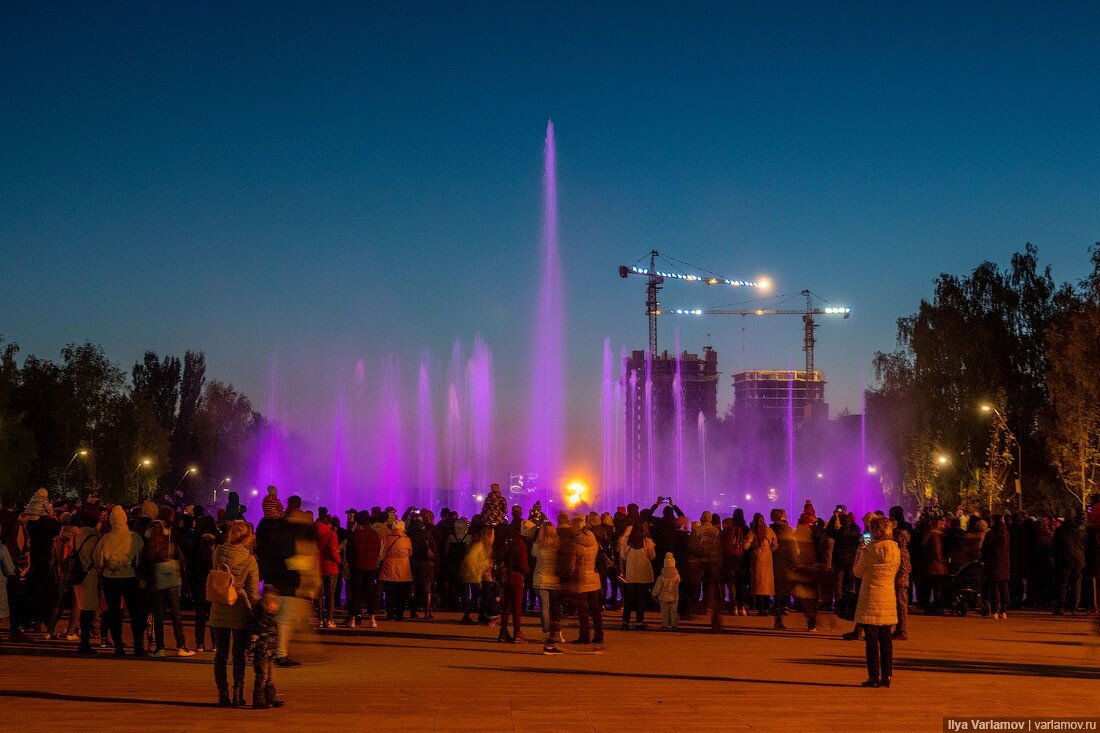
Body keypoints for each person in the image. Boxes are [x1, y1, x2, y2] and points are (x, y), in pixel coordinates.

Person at [210, 520, 260, 707]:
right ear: (247, 538)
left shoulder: (218, 553)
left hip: (219, 607)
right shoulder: (250, 559)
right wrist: (257, 613)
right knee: (238, 655)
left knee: (220, 655)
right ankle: (238, 693)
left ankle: (222, 694)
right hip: (239, 608)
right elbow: (254, 592)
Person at [92, 505, 147, 657]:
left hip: (110, 579)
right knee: (136, 613)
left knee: (114, 613)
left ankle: (118, 646)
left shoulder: (106, 538)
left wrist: (104, 570)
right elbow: (140, 559)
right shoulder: (134, 537)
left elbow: (97, 559)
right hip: (130, 578)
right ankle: (138, 646)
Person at [853, 516, 901, 688]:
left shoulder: (869, 550)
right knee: (886, 638)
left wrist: (860, 552)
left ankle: (873, 676)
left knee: (871, 639)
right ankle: (887, 675)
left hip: (871, 597)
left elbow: (857, 572)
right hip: (887, 596)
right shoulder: (896, 550)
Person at [145, 518, 195, 657]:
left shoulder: (149, 547)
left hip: (156, 582)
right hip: (171, 581)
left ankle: (160, 648)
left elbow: (145, 565)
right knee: (175, 614)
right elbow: (182, 561)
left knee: (158, 615)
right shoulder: (170, 544)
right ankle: (181, 645)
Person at [563, 517, 604, 648]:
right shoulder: (593, 539)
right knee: (595, 609)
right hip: (593, 578)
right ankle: (599, 635)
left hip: (581, 580)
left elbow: (570, 567)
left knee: (582, 610)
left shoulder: (574, 545)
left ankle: (584, 636)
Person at [250, 586, 286, 710]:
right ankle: (259, 700)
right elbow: (255, 636)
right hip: (263, 653)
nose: (276, 607)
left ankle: (270, 698)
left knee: (270, 676)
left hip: (270, 652)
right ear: (267, 604)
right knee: (262, 676)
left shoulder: (270, 618)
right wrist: (252, 648)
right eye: (274, 604)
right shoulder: (261, 618)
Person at [497, 519, 532, 642]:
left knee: (506, 607)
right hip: (517, 578)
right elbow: (522, 564)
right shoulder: (520, 544)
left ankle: (502, 633)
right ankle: (517, 633)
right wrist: (527, 571)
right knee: (517, 607)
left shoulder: (509, 543)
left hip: (507, 577)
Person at [346, 510, 382, 628]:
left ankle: (352, 619)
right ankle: (372, 619)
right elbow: (378, 551)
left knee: (355, 593)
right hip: (371, 567)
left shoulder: (354, 535)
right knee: (370, 592)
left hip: (357, 567)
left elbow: (349, 553)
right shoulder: (374, 535)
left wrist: (351, 565)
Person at [619, 519, 656, 630]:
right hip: (643, 574)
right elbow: (652, 556)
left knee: (629, 599)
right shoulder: (647, 541)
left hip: (630, 573)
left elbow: (623, 556)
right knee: (641, 599)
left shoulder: (627, 541)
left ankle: (625, 622)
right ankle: (639, 623)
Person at [531, 521, 562, 649]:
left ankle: (546, 632)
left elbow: (533, 555)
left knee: (544, 607)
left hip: (540, 579)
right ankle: (556, 633)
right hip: (554, 579)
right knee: (555, 608)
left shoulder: (538, 545)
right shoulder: (558, 544)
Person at [744, 512, 778, 615]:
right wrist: (769, 550)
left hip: (757, 557)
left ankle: (760, 609)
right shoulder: (769, 530)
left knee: (758, 584)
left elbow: (746, 546)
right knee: (767, 584)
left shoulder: (752, 531)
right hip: (768, 558)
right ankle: (766, 608)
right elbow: (775, 544)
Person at [379, 520, 414, 621]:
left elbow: (381, 553)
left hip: (389, 568)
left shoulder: (385, 538)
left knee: (390, 593)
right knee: (401, 593)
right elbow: (410, 553)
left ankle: (390, 614)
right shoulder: (406, 539)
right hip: (403, 569)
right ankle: (400, 614)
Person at [314, 513, 341, 629]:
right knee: (330, 595)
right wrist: (339, 560)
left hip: (318, 567)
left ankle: (320, 619)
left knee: (319, 594)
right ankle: (329, 620)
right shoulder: (331, 534)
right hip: (331, 567)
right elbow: (333, 550)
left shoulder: (314, 533)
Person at [982, 514, 1011, 619]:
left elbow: (985, 549)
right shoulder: (1006, 534)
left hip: (993, 563)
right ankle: (1003, 611)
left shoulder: (991, 534)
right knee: (1004, 588)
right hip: (1005, 564)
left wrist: (984, 558)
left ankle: (994, 611)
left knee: (994, 588)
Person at [651, 552, 680, 630]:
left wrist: (654, 594)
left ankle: (665, 625)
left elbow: (657, 587)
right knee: (674, 611)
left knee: (664, 612)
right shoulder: (677, 576)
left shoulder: (661, 577)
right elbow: (677, 584)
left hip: (663, 597)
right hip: (674, 596)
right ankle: (674, 625)